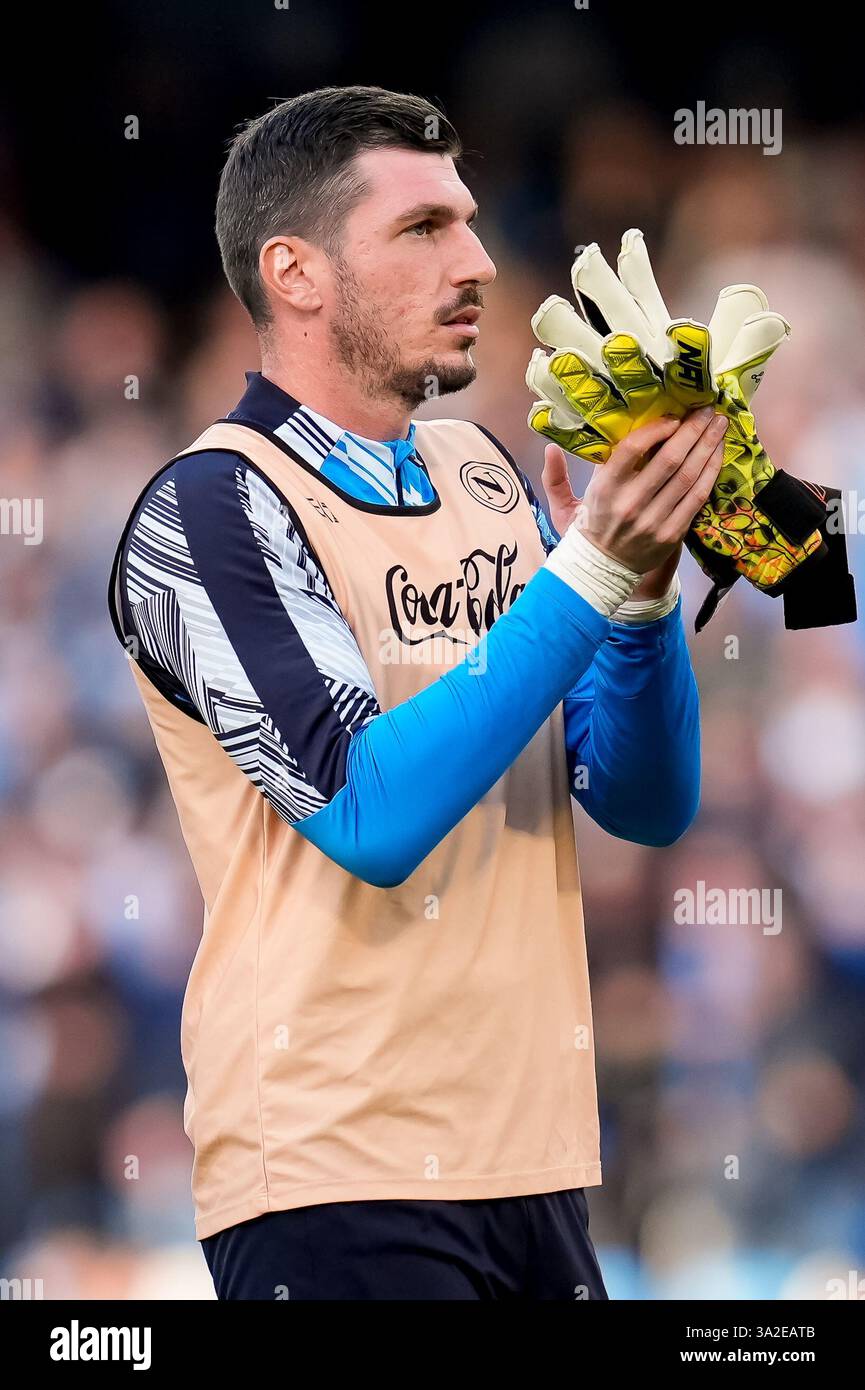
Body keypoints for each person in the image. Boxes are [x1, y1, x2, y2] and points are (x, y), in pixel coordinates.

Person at [108, 85, 727, 1300]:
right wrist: (590, 570)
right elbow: (367, 812)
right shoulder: (210, 507)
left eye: (471, 221)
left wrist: (643, 602)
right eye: (423, 229)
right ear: (295, 271)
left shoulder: (486, 475)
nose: (480, 262)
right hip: (333, 1175)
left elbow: (643, 805)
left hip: (535, 1163)